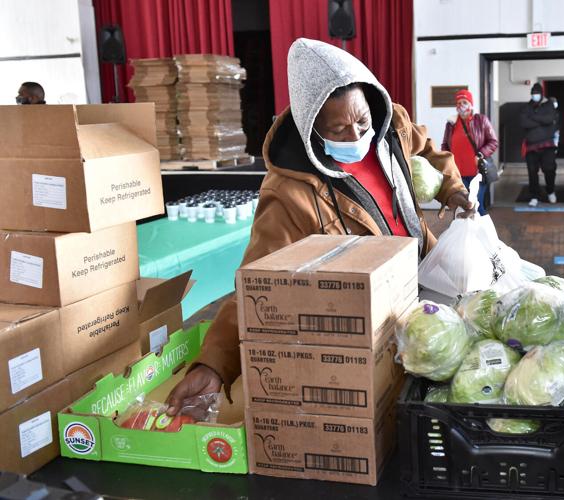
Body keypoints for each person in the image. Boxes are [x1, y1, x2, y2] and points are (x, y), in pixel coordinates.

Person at [164, 38, 473, 414]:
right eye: (338, 129)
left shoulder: (391, 124)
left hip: (431, 283)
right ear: (312, 128)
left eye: (361, 121)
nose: (356, 136)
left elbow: (427, 151)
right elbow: (258, 285)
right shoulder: (289, 192)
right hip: (380, 327)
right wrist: (214, 364)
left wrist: (452, 187)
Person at [441, 89, 498, 216]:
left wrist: (480, 154)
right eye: (459, 102)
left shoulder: (481, 120)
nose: (461, 105)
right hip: (458, 175)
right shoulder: (451, 124)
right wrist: (445, 161)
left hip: (477, 173)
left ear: (471, 104)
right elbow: (445, 145)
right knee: (461, 208)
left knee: (476, 206)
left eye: (465, 102)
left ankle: (484, 229)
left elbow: (493, 142)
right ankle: (462, 230)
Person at [520, 83, 558, 206]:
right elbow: (524, 123)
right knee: (532, 172)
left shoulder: (549, 104)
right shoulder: (527, 107)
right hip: (531, 146)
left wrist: (533, 117)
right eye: (533, 93)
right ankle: (534, 196)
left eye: (536, 93)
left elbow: (550, 119)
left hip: (548, 145)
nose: (534, 95)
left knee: (549, 169)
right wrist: (542, 121)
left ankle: (551, 191)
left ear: (541, 94)